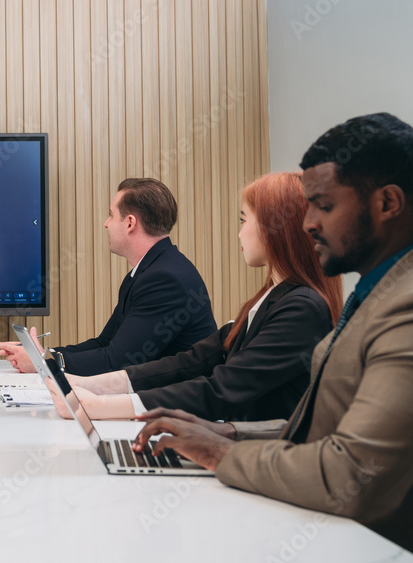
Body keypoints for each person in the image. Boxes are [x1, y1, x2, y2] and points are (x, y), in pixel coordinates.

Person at [132, 113, 413, 550]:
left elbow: (349, 472)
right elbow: (326, 433)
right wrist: (229, 434)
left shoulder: (404, 308)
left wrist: (221, 453)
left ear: (388, 203)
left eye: (324, 205)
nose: (307, 223)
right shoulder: (379, 293)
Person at [47, 172, 342, 422]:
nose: (239, 234)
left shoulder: (302, 309)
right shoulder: (270, 300)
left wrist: (101, 406)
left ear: (276, 229)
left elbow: (221, 389)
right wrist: (89, 384)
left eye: (244, 220)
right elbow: (191, 361)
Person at [0, 178, 217, 374]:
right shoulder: (148, 271)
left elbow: (117, 361)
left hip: (176, 411)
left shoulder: (165, 279)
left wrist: (45, 362)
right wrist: (43, 354)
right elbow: (106, 343)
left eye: (111, 215)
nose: (106, 223)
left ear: (130, 223)